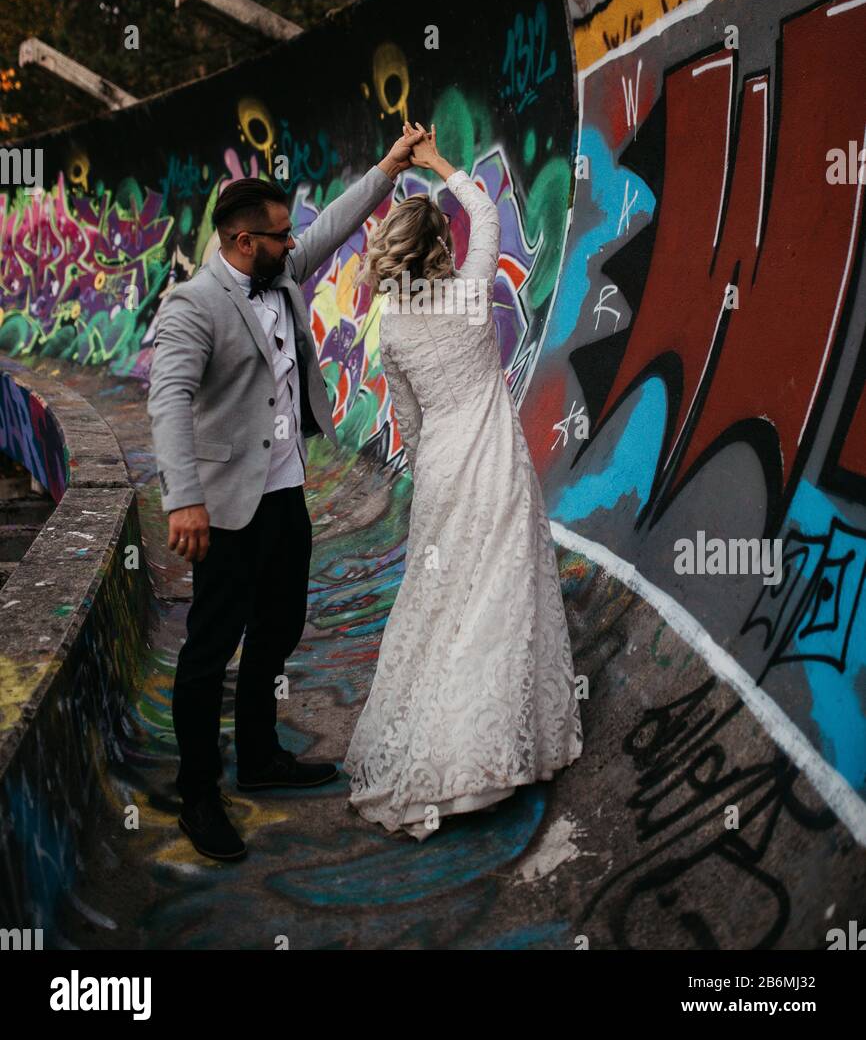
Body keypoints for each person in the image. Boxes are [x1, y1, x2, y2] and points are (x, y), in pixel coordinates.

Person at [146, 128, 424, 861]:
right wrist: (183, 499)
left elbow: (331, 224)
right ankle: (200, 794)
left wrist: (387, 168)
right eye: (279, 234)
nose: (292, 240)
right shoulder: (194, 306)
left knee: (278, 627)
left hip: (285, 492)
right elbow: (168, 398)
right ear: (242, 242)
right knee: (210, 649)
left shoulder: (278, 274)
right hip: (225, 503)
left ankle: (261, 758)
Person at [343, 121, 583, 840]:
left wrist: (424, 471)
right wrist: (436, 159)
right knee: (501, 591)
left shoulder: (394, 329)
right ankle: (496, 750)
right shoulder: (472, 293)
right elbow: (483, 208)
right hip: (494, 459)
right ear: (441, 249)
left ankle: (440, 746)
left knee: (441, 598)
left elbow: (409, 422)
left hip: (443, 466)